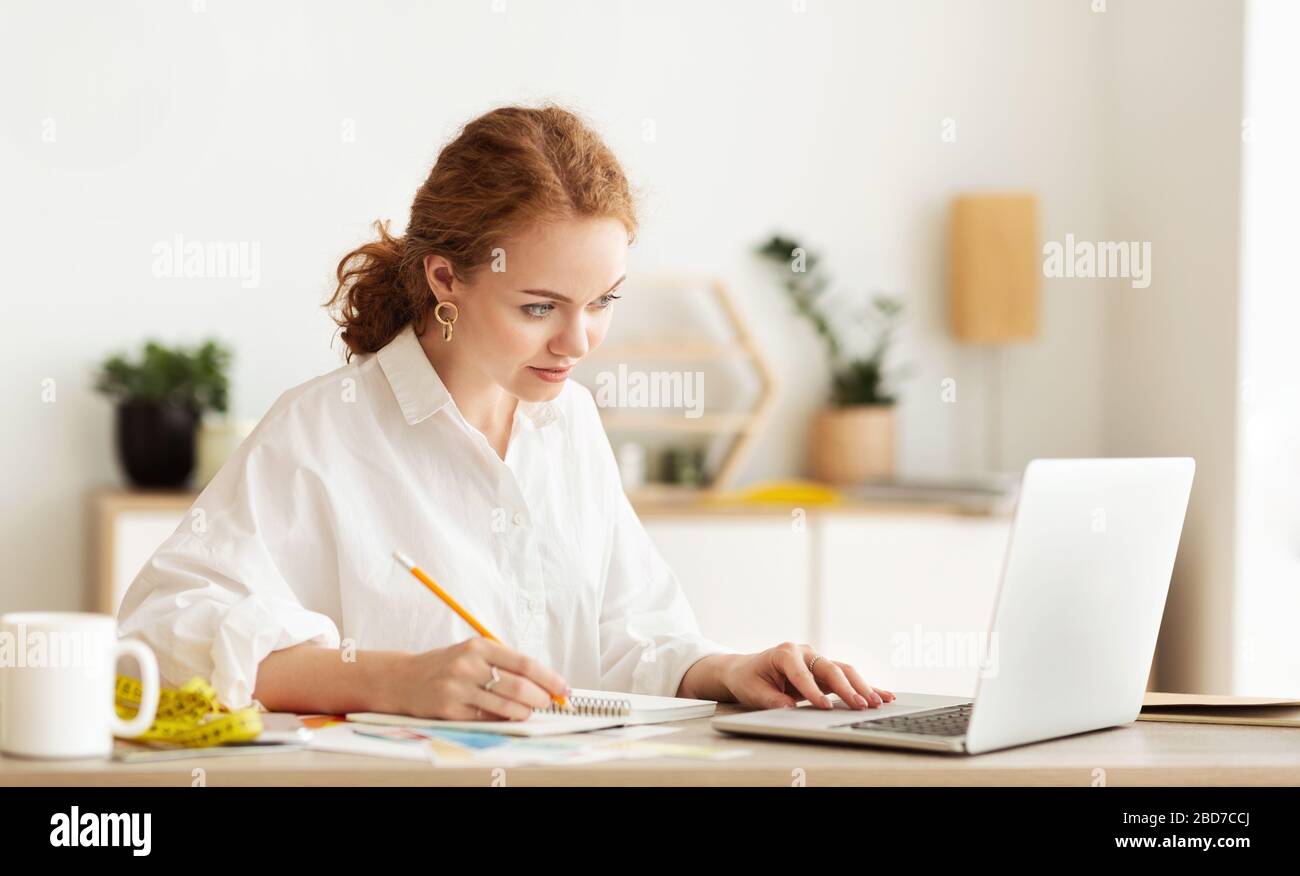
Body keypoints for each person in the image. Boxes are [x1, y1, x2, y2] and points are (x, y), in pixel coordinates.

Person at [117, 103, 895, 721]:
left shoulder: (570, 425)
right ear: (446, 279)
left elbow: (628, 641)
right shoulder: (323, 431)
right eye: (539, 306)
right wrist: (393, 681)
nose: (578, 340)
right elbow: (160, 631)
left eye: (602, 303)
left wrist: (723, 670)